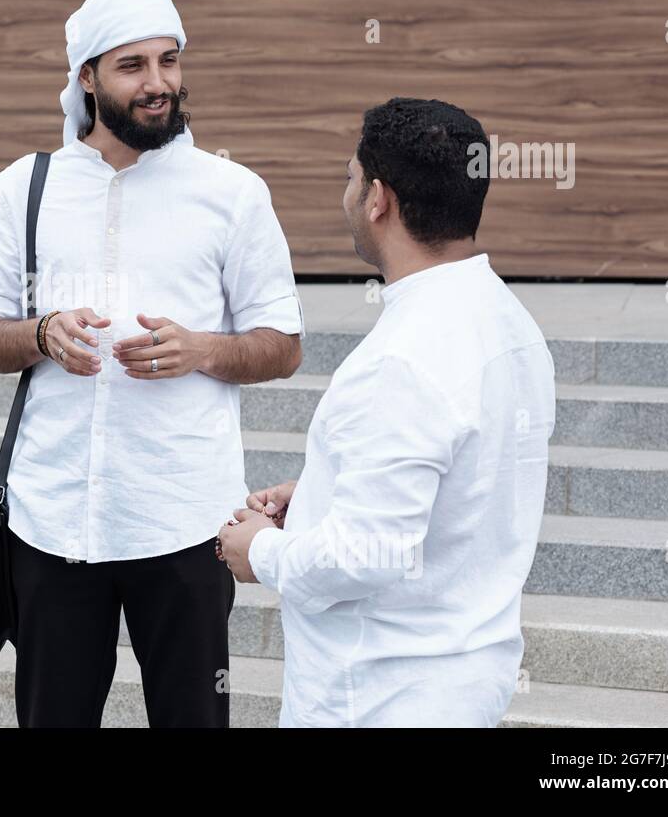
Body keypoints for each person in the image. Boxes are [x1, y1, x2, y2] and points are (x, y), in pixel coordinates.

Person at [0, 0, 305, 727]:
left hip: (185, 523)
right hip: (51, 523)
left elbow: (284, 346)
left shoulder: (231, 193)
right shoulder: (26, 188)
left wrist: (203, 348)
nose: (158, 85)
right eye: (132, 66)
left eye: (169, 61)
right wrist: (40, 332)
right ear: (86, 77)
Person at [219, 97, 556, 727]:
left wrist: (259, 550)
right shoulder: (512, 324)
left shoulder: (402, 360)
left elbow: (364, 556)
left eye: (351, 178)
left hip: (379, 696)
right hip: (462, 680)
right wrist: (324, 490)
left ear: (380, 199)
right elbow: (463, 480)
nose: (346, 196)